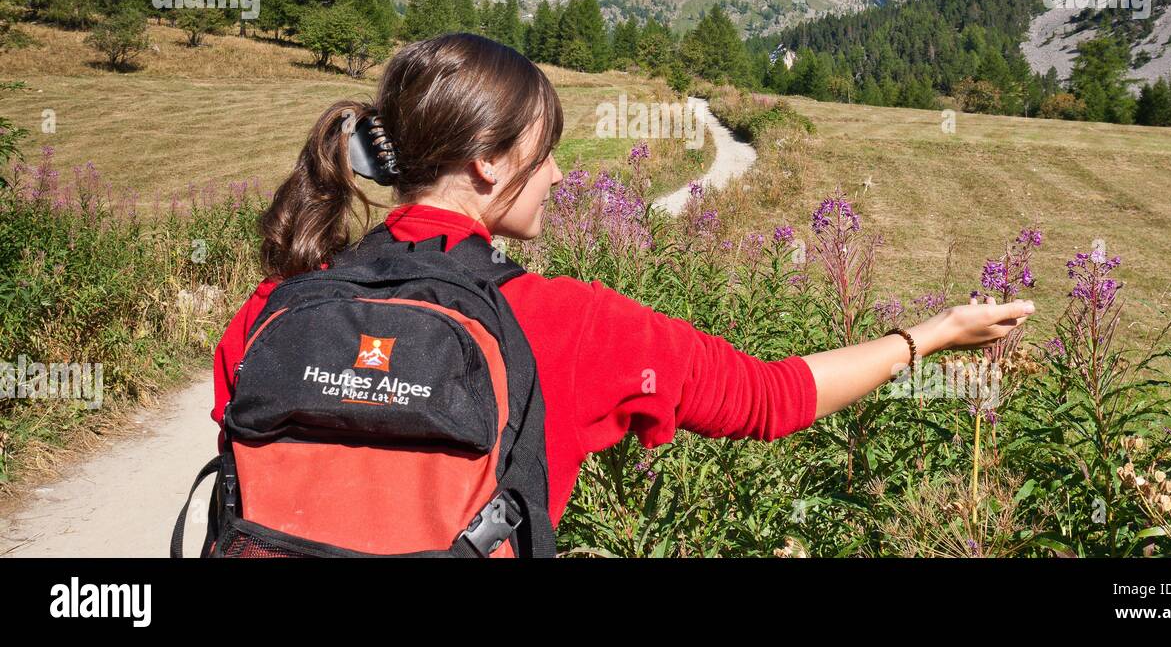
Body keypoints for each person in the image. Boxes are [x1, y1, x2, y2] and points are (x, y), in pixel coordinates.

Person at [211, 33, 1033, 533]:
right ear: (488, 161)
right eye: (546, 146)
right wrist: (931, 336)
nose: (561, 170)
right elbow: (772, 399)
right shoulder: (567, 323)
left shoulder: (273, 308)